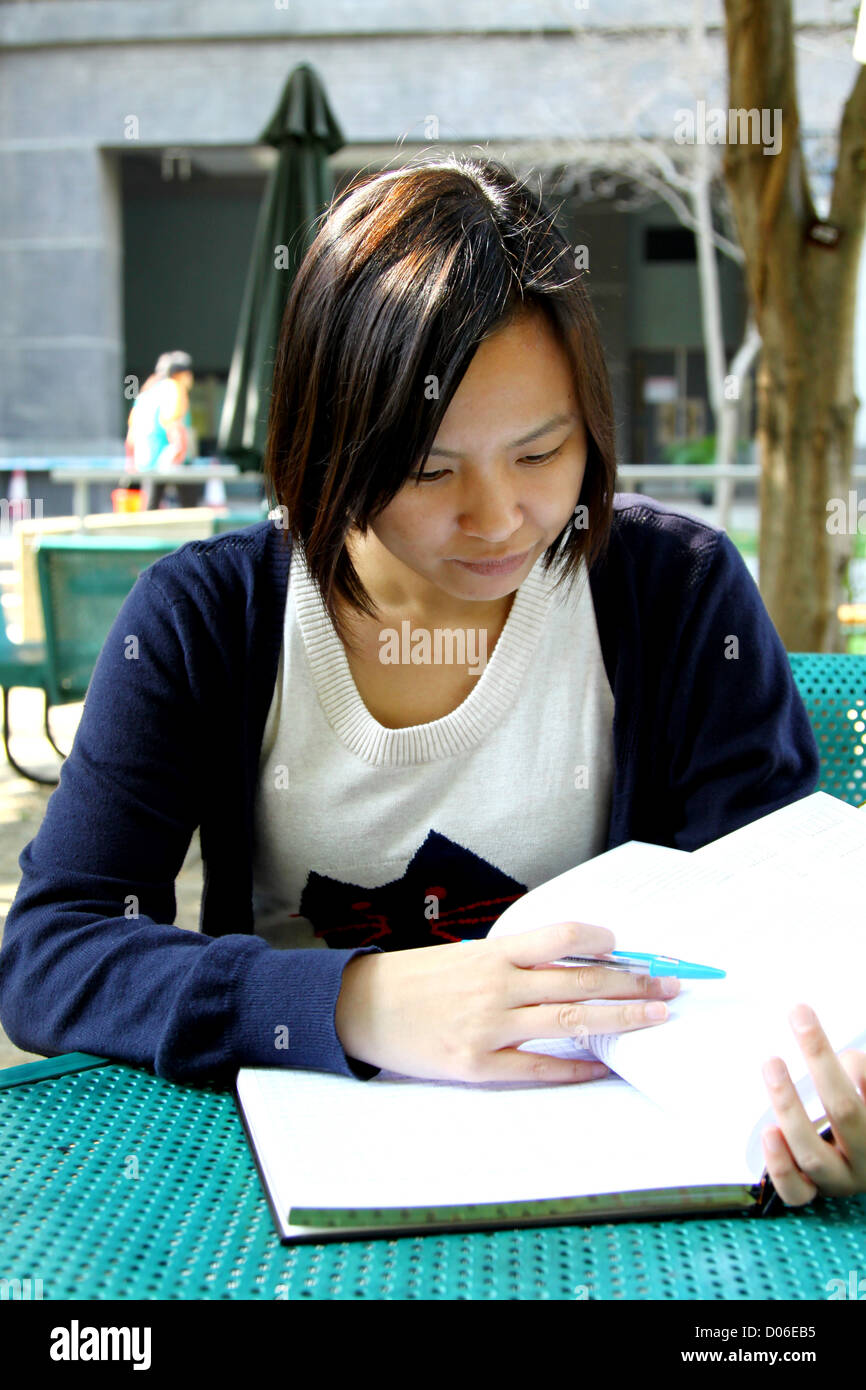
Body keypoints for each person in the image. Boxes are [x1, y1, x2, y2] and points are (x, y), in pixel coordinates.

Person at [1, 155, 864, 1211]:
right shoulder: (208, 620)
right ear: (328, 442)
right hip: (287, 1176)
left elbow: (779, 941)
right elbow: (53, 950)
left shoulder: (672, 596)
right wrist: (358, 1002)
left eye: (542, 452)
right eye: (427, 471)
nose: (497, 517)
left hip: (623, 1185)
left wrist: (825, 1092)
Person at [124, 350, 200, 509]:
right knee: (190, 508)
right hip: (168, 460)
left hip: (146, 462)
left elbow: (131, 434)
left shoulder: (146, 393)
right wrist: (178, 452)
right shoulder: (174, 388)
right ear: (180, 374)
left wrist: (131, 461)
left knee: (150, 507)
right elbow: (173, 423)